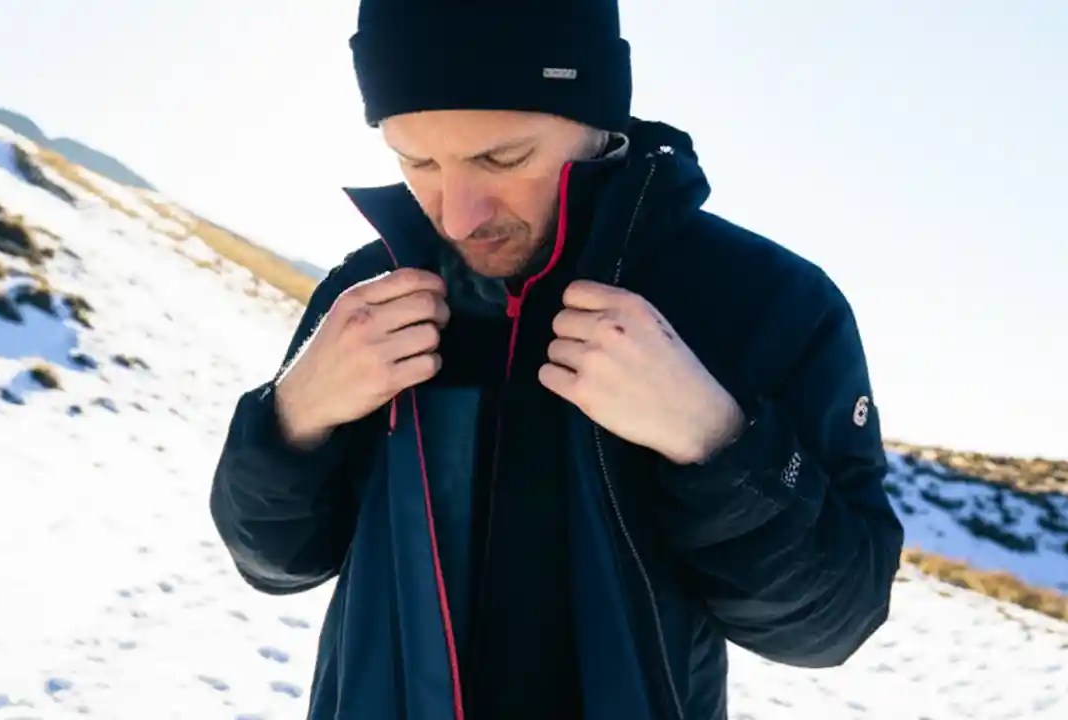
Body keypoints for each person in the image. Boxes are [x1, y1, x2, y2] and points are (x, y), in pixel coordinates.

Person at [209, 1, 905, 718]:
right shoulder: (367, 291)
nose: (457, 215)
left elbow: (832, 623)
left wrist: (717, 442)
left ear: (597, 114)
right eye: (415, 162)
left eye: (502, 158)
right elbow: (274, 561)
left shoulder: (765, 301)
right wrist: (293, 418)